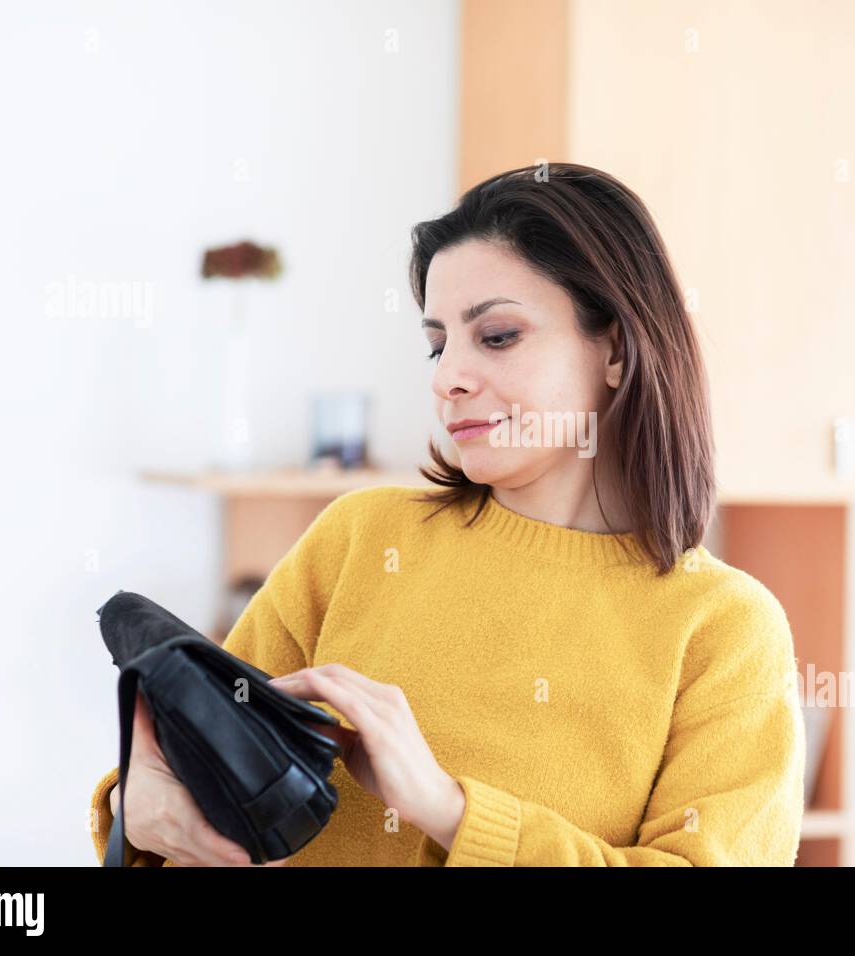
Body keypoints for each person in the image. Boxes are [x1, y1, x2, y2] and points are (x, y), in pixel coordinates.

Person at [87, 162, 806, 866]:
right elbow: (201, 766)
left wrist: (448, 809)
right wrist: (136, 807)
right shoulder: (360, 539)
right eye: (437, 344)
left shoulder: (724, 629)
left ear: (615, 347)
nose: (447, 377)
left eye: (496, 336)